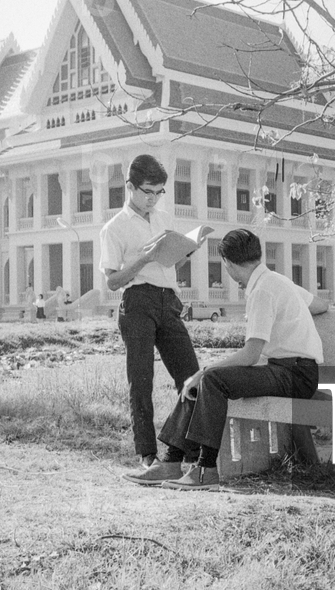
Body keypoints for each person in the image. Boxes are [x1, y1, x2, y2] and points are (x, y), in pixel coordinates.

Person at [127, 229, 328, 489]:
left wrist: (203, 371)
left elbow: (251, 354)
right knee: (207, 380)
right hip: (293, 370)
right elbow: (321, 305)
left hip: (294, 375)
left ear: (229, 264)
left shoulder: (262, 291)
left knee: (210, 379)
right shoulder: (278, 281)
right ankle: (170, 461)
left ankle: (204, 470)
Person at [99, 154, 201, 469]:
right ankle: (147, 454)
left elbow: (172, 262)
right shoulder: (114, 228)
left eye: (158, 193)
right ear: (129, 186)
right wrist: (143, 259)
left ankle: (187, 448)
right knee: (141, 381)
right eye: (147, 192)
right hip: (137, 302)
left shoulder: (163, 218)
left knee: (191, 377)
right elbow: (113, 281)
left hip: (168, 301)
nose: (152, 199)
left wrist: (186, 249)